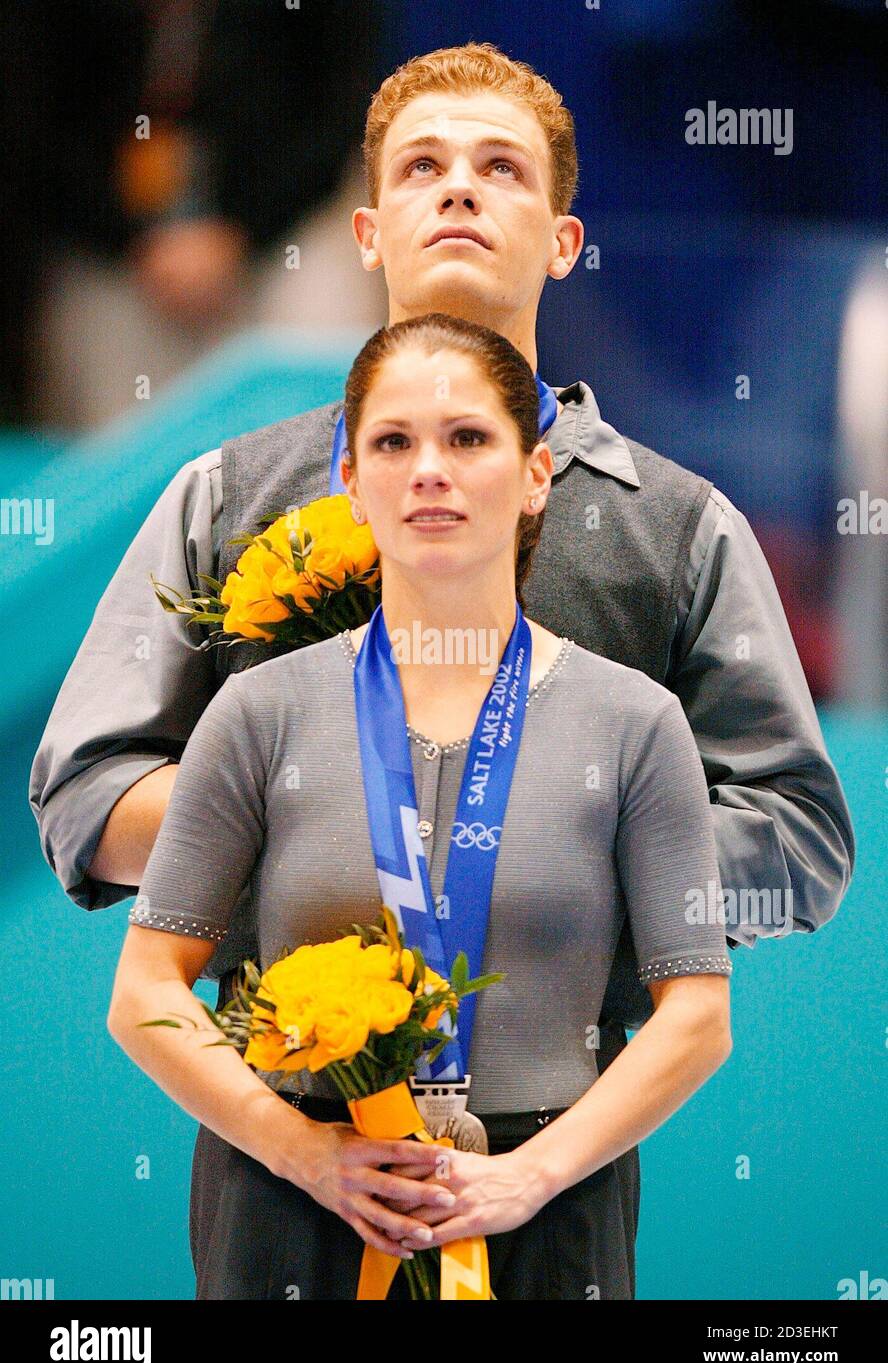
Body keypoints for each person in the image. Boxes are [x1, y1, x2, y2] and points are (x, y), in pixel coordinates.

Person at [30, 42, 854, 1296]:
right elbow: (83, 797)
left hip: (554, 1146)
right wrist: (307, 839)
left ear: (566, 240)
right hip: (280, 1137)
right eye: (423, 167)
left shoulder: (679, 528)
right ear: (367, 231)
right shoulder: (224, 495)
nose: (458, 190)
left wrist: (588, 855)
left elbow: (799, 840)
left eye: (501, 170)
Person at [107, 313, 733, 1299]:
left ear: (537, 475)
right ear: (349, 480)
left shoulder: (634, 722)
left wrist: (531, 1177)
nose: (429, 470)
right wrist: (301, 1155)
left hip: (548, 1214)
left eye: (468, 438)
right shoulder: (259, 710)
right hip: (300, 1207)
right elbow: (144, 992)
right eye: (393, 442)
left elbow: (697, 1014)